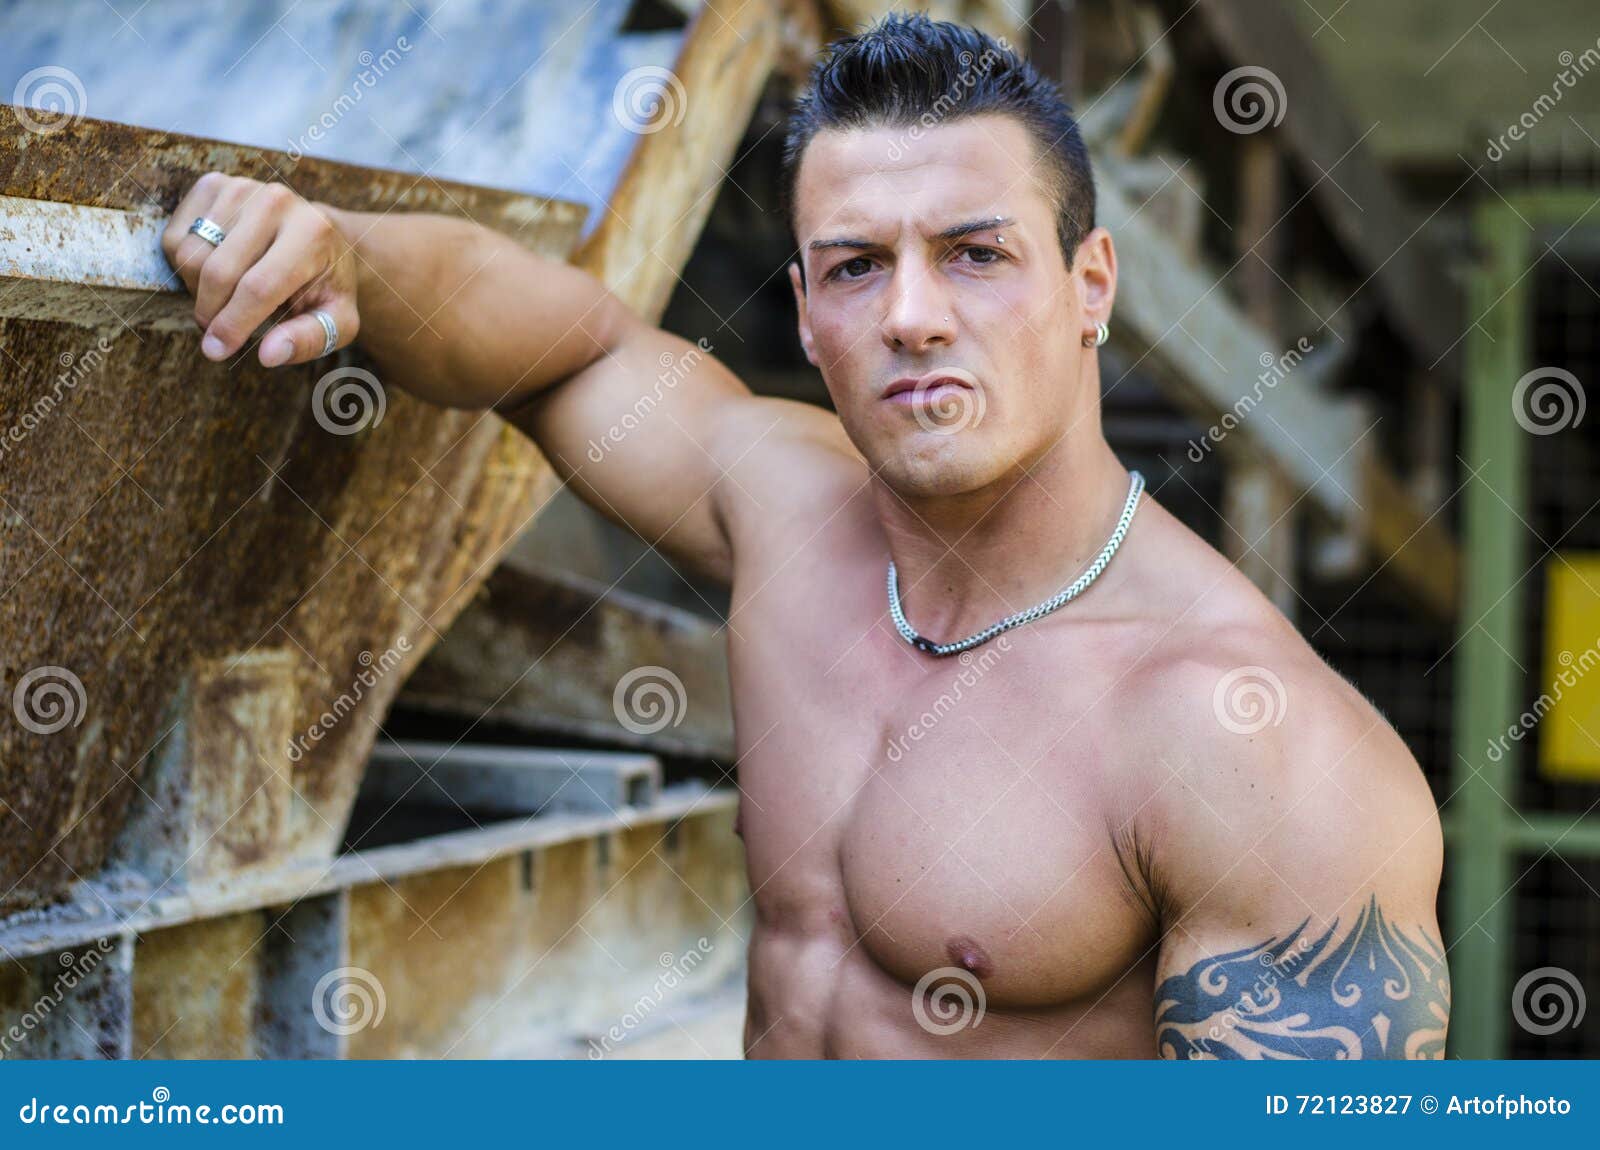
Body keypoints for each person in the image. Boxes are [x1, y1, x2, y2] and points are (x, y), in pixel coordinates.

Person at [160, 12, 1449, 1058]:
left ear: (1091, 285)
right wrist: (339, 254)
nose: (912, 315)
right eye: (853, 267)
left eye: (975, 254)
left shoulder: (1259, 753)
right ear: (807, 312)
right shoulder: (782, 513)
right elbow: (566, 350)